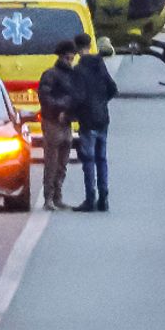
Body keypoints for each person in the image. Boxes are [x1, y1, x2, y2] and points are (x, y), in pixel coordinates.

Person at [71, 33, 118, 213]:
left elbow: (77, 96)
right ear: (90, 45)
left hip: (87, 119)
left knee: (88, 160)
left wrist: (75, 113)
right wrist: (101, 102)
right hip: (102, 118)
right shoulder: (100, 65)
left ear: (76, 49)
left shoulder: (78, 70)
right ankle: (104, 196)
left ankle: (90, 198)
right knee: (101, 158)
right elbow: (113, 88)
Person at [38, 40, 80, 210]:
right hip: (53, 122)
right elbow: (45, 97)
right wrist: (60, 110)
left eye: (72, 58)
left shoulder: (72, 76)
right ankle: (49, 197)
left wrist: (71, 113)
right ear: (61, 56)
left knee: (62, 162)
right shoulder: (50, 75)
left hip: (66, 122)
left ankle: (57, 196)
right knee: (52, 161)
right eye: (68, 58)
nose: (70, 61)